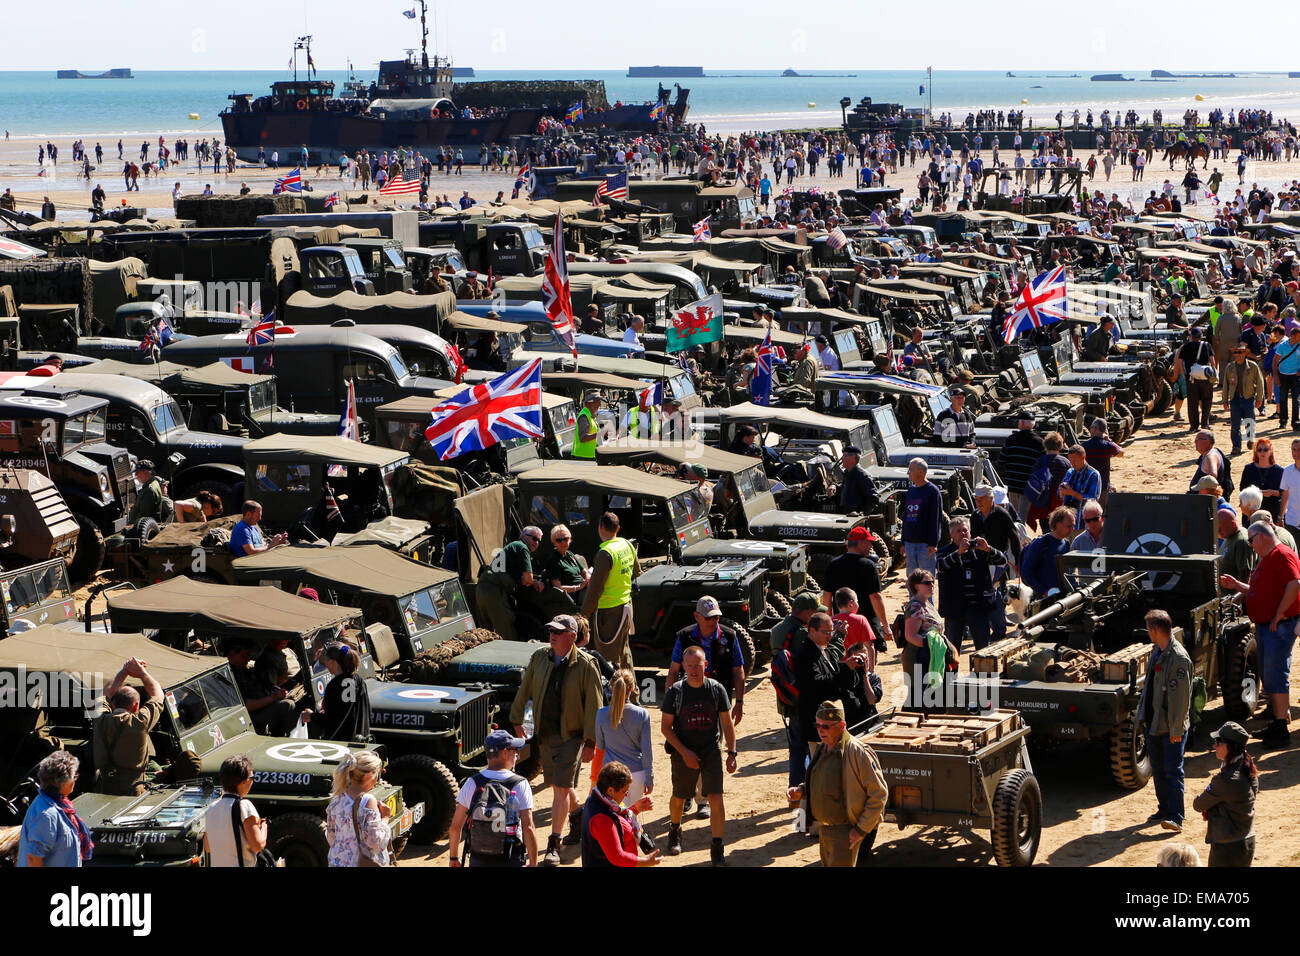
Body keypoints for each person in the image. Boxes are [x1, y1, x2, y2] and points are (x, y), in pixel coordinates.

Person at [509, 614, 603, 865]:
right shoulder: (540, 657)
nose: (552, 634)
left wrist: (591, 742)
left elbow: (595, 704)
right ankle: (579, 815)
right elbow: (526, 688)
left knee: (560, 789)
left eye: (559, 632)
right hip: (546, 734)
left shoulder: (586, 664)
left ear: (572, 637)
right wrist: (517, 718)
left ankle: (553, 845)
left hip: (572, 736)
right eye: (551, 630)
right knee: (559, 784)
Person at [1219, 521, 1300, 747]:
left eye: (1251, 540)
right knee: (1269, 674)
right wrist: (1238, 585)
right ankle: (1276, 721)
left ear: (1261, 537)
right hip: (1267, 626)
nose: (1251, 545)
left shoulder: (1282, 555)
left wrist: (1278, 615)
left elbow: (1295, 584)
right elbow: (1261, 591)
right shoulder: (1269, 557)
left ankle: (1281, 727)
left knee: (1276, 675)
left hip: (1278, 627)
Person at [787, 698, 888, 867]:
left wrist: (861, 830)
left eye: (825, 726)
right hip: (825, 830)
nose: (820, 731)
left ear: (841, 726)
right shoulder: (823, 748)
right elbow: (821, 781)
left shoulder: (857, 752)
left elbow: (879, 793)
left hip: (845, 831)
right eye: (817, 726)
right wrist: (801, 791)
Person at [662, 645, 738, 865]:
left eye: (698, 665)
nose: (694, 670)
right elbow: (666, 728)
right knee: (679, 797)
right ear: (683, 665)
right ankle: (675, 830)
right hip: (682, 751)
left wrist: (732, 752)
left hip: (710, 750)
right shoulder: (676, 692)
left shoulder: (716, 689)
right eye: (690, 666)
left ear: (706, 665)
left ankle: (717, 846)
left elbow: (726, 722)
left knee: (715, 797)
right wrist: (684, 753)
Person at [447, 730, 537, 867]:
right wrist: (534, 863)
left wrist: (453, 858)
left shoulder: (472, 782)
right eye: (514, 750)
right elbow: (528, 828)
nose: (516, 754)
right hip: (510, 859)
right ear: (504, 752)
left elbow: (455, 827)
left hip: (478, 859)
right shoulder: (520, 784)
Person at [1139, 609, 1193, 833]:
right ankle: (1164, 809)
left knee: (1173, 771)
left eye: (1148, 628)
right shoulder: (1157, 651)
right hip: (1155, 723)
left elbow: (1181, 699)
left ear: (1154, 630)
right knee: (1159, 770)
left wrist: (1176, 729)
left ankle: (1176, 816)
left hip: (1171, 726)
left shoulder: (1178, 658)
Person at [769, 592, 822, 787]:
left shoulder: (776, 630)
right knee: (811, 745)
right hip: (806, 695)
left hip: (786, 694)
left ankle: (795, 786)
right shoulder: (802, 634)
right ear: (808, 613)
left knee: (796, 745)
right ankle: (808, 788)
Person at [92, 657, 164, 796]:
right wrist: (142, 673)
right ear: (136, 706)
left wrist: (124, 671)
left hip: (105, 786)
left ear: (113, 704)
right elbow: (158, 694)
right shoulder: (140, 721)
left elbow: (105, 693)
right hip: (133, 788)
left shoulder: (99, 718)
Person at [1191, 721, 1259, 867]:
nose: (1214, 746)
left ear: (1231, 746)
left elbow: (1198, 804)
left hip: (1228, 848)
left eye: (1218, 742)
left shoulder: (1226, 780)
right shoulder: (1248, 768)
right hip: (1247, 840)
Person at [936, 515, 1008, 653]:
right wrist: (958, 553)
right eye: (959, 531)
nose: (963, 533)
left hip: (978, 607)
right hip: (954, 609)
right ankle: (951, 676)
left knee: (984, 650)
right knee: (952, 651)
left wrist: (988, 549)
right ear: (951, 534)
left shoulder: (979, 550)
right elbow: (940, 566)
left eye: (965, 530)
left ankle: (984, 676)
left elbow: (1002, 560)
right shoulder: (944, 551)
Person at [580, 511, 641, 671]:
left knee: (608, 661)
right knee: (624, 653)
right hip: (626, 606)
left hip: (609, 612)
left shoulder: (605, 553)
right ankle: (631, 694)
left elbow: (595, 589)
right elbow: (636, 571)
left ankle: (616, 695)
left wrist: (583, 615)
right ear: (618, 528)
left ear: (600, 527)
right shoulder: (627, 544)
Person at [821, 527, 891, 650]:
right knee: (869, 653)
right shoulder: (868, 565)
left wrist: (830, 621)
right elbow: (875, 597)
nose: (871, 546)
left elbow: (827, 596)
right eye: (869, 542)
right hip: (866, 622)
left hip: (842, 623)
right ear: (861, 543)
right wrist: (885, 625)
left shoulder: (833, 564)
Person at [18, 751, 92, 867]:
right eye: (74, 776)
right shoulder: (47, 815)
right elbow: (33, 858)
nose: (75, 780)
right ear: (63, 783)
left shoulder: (61, 806)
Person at [580, 761, 660, 867]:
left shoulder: (600, 798)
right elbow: (617, 857)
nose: (626, 795)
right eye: (624, 791)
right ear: (610, 790)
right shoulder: (602, 820)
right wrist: (646, 861)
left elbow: (617, 819)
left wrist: (635, 809)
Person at [594, 670, 654, 807]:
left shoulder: (601, 714)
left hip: (611, 775)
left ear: (611, 687)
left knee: (614, 820)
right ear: (632, 688)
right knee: (633, 819)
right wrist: (649, 778)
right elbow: (647, 751)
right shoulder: (642, 714)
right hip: (636, 775)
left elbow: (601, 745)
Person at [478, 526, 546, 642]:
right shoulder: (522, 547)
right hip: (496, 590)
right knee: (507, 633)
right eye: (534, 538)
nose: (537, 543)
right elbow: (528, 578)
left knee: (485, 633)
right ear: (524, 536)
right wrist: (535, 582)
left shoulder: (514, 546)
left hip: (484, 588)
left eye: (539, 540)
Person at [325, 751, 392, 866]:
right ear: (368, 776)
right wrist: (385, 818)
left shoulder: (336, 799)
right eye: (377, 773)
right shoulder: (367, 801)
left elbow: (331, 837)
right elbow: (374, 842)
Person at [901, 570, 957, 707]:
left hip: (930, 658)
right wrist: (933, 646)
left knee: (934, 698)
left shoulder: (927, 604)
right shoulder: (915, 606)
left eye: (933, 581)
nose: (932, 585)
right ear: (916, 586)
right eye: (927, 582)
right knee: (919, 700)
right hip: (919, 659)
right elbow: (910, 636)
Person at [203, 755, 267, 867]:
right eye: (252, 778)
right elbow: (258, 845)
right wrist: (264, 828)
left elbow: (208, 848)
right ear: (243, 781)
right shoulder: (244, 805)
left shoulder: (211, 808)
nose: (252, 781)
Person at [301, 642, 370, 743]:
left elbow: (331, 721)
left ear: (334, 662)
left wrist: (311, 716)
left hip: (342, 745)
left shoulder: (334, 685)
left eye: (326, 661)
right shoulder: (360, 681)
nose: (326, 664)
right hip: (361, 741)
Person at [901, 457, 943, 579]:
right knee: (912, 580)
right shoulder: (911, 490)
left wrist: (933, 543)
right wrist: (903, 542)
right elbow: (906, 518)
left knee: (925, 579)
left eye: (911, 470)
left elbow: (935, 519)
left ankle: (927, 599)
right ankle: (913, 599)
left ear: (920, 472)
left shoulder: (932, 491)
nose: (908, 472)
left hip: (925, 545)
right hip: (909, 544)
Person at [1021, 507, 1075, 599]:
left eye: (1073, 526)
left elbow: (1068, 573)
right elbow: (1026, 573)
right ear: (1058, 524)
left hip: (1063, 598)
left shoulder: (1066, 544)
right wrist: (1044, 592)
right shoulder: (1040, 543)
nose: (1072, 529)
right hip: (1044, 601)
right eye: (1069, 526)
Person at [1222, 342, 1265, 456]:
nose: (1237, 354)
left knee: (1249, 421)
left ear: (1245, 353)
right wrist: (1225, 400)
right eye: (1235, 352)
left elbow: (1260, 383)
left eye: (1240, 352)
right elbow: (1225, 385)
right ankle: (1236, 446)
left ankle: (1250, 439)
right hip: (1235, 399)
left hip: (1248, 398)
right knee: (1235, 424)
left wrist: (1259, 398)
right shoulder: (1230, 367)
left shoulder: (1252, 366)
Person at [999, 410, 1045, 518]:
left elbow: (1001, 461)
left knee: (1013, 515)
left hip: (1013, 484)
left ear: (1023, 424)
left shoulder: (1011, 439)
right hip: (1029, 485)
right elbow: (1043, 465)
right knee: (1022, 516)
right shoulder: (1040, 442)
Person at [1173, 326, 1217, 431]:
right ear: (1201, 337)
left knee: (1192, 403)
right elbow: (1213, 361)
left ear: (1191, 336)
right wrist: (1213, 372)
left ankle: (1194, 426)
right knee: (1206, 401)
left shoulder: (1186, 347)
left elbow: (1179, 362)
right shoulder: (1207, 345)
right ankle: (1205, 423)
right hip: (1206, 378)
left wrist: (1184, 374)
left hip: (1191, 378)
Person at [545, 523, 590, 610]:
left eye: (565, 539)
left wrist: (588, 579)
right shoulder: (554, 560)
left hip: (584, 588)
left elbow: (584, 571)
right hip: (574, 596)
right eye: (559, 540)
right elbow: (558, 588)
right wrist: (578, 587)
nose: (563, 542)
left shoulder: (569, 553)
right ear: (554, 542)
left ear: (570, 539)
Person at [1081, 419, 1124, 507]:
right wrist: (1110, 441)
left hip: (1087, 486)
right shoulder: (1108, 445)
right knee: (1101, 513)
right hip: (1103, 486)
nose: (1090, 430)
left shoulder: (1084, 446)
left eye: (1091, 428)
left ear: (1095, 428)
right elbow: (1121, 453)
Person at [1060, 443, 1103, 529]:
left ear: (1083, 457)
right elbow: (1060, 495)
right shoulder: (1070, 472)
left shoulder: (1093, 475)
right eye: (1070, 461)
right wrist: (1062, 491)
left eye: (1075, 461)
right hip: (1066, 522)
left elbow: (1093, 501)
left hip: (1082, 524)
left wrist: (1072, 493)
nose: (1072, 464)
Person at [1241, 440, 1284, 521]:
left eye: (1265, 450)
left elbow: (1283, 493)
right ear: (1256, 452)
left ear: (1271, 451)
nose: (1262, 452)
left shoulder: (1279, 471)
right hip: (1251, 512)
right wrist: (1257, 493)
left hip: (1272, 512)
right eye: (1259, 450)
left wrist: (1273, 492)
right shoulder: (1249, 469)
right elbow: (1242, 489)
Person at [829, 446, 878, 514]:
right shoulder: (848, 473)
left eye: (845, 455)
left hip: (854, 517)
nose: (842, 458)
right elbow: (846, 489)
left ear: (853, 458)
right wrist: (834, 486)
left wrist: (861, 513)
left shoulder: (862, 475)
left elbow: (873, 498)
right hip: (845, 513)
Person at [1188, 430, 1233, 500]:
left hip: (1207, 501)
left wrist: (1205, 495)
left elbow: (1212, 475)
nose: (1195, 442)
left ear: (1208, 441)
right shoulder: (1211, 453)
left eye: (1198, 439)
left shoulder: (1210, 456)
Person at [1218, 507, 1257, 583]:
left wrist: (1237, 594)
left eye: (1220, 529)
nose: (1218, 532)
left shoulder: (1241, 541)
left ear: (1232, 524)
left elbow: (1244, 576)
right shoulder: (1229, 534)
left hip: (1231, 593)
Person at [127, 460, 167, 530]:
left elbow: (144, 515)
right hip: (147, 526)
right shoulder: (153, 483)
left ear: (145, 472)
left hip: (144, 528)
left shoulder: (149, 489)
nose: (136, 475)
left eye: (137, 472)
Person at [1273, 325, 1300, 429]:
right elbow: (1275, 361)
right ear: (1293, 336)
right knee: (1283, 399)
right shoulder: (1283, 346)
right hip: (1283, 375)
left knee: (1296, 400)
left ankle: (1295, 422)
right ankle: (1283, 420)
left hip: (1295, 377)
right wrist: (1276, 377)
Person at [571, 391, 602, 461]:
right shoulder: (584, 416)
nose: (600, 404)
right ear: (589, 403)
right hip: (582, 458)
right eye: (597, 401)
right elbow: (583, 438)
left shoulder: (590, 415)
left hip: (588, 456)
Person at [1282, 438, 1300, 539]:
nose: (1296, 452)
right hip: (1292, 522)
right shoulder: (1287, 471)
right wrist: (1281, 516)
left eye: (1299, 449)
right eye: (1294, 449)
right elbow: (1285, 494)